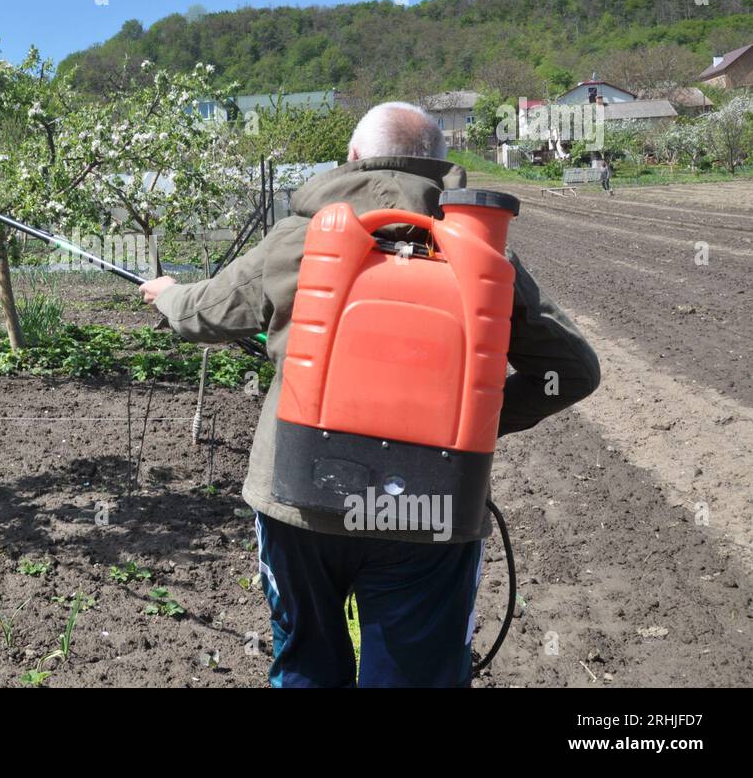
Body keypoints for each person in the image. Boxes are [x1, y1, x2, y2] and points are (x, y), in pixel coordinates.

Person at [139, 101, 600, 688]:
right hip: (430, 509)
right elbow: (574, 371)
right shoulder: (481, 255)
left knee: (307, 663)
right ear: (439, 167)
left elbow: (206, 313)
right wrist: (474, 420)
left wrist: (169, 294)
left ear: (353, 158)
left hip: (300, 498)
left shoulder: (302, 237)